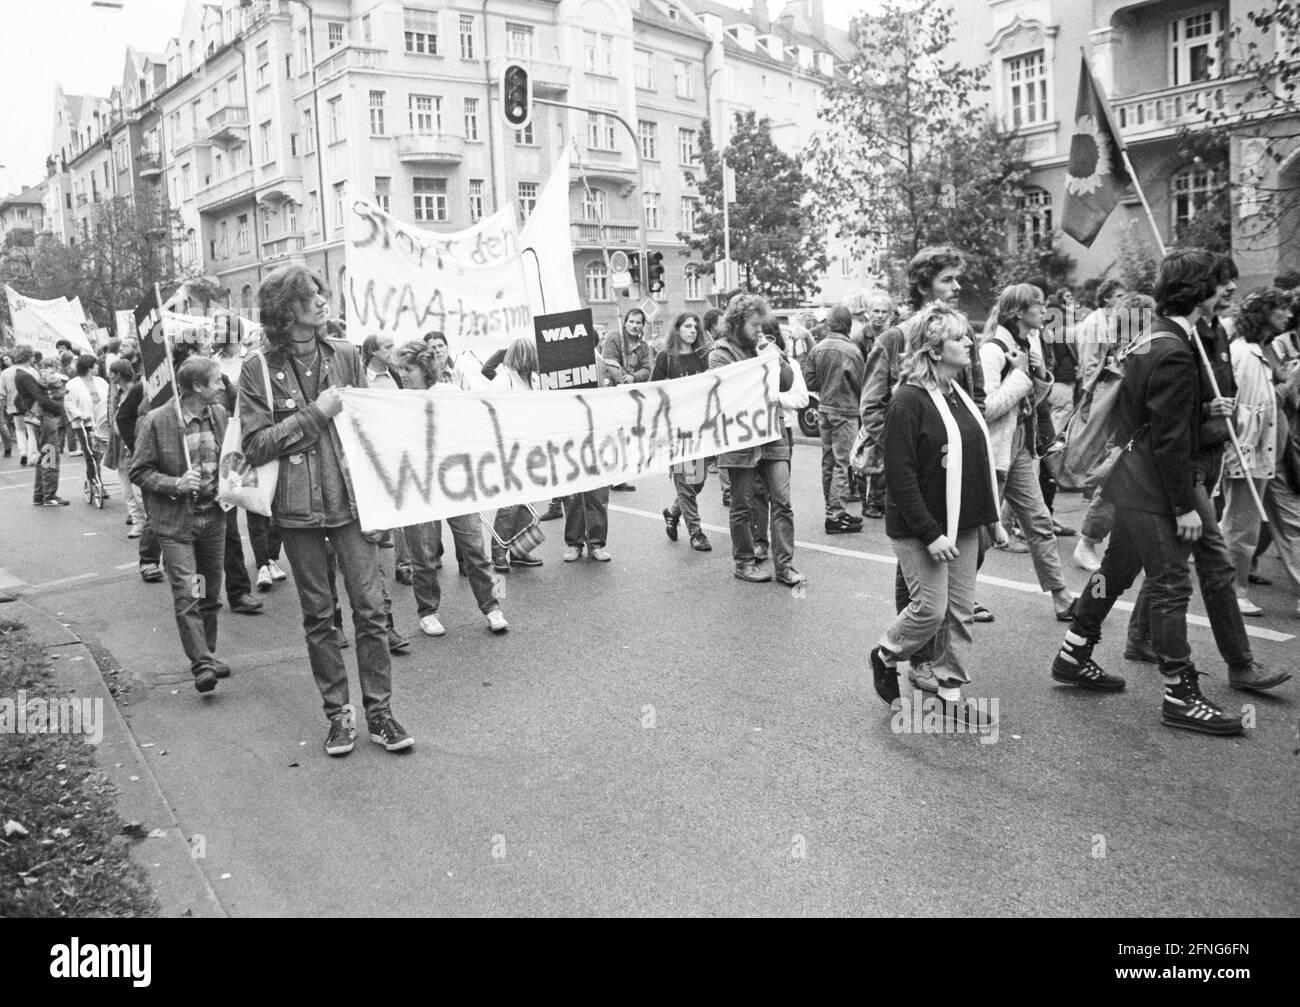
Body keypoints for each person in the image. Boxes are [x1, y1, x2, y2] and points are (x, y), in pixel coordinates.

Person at [1050, 248, 1255, 735]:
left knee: (1115, 571)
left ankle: (1074, 651)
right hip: (1152, 486)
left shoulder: (1150, 339)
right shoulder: (1175, 349)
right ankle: (1179, 693)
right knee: (1170, 585)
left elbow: (1149, 421)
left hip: (1130, 480)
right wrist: (1184, 504)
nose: (1221, 291)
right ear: (1198, 292)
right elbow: (1167, 440)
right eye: (1213, 283)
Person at [240, 265, 412, 757]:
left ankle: (380, 712)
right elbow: (254, 445)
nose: (321, 301)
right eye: (309, 295)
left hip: (353, 505)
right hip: (297, 514)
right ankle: (339, 715)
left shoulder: (346, 354)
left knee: (372, 611)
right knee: (319, 617)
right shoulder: (257, 367)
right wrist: (317, 412)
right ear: (283, 311)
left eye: (320, 292)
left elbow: (365, 425)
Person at [870, 304, 1006, 721]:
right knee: (930, 609)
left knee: (961, 612)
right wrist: (931, 533)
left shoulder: (959, 394)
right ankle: (885, 654)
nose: (970, 342)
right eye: (959, 338)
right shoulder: (908, 402)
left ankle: (950, 694)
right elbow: (901, 476)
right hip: (919, 527)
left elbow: (977, 462)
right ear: (932, 350)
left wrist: (993, 521)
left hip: (963, 523)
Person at [392, 340, 509, 635]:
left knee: (476, 549)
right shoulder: (397, 403)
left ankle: (495, 605)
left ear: (426, 370)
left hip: (457, 484)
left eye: (410, 369)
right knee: (424, 554)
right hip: (420, 488)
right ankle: (427, 611)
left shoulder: (451, 394)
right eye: (401, 369)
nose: (404, 375)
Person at [130, 355, 231, 693]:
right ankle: (201, 663)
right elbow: (139, 471)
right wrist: (175, 484)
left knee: (208, 590)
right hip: (176, 525)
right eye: (215, 381)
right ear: (196, 387)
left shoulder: (218, 414)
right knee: (188, 592)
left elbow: (232, 457)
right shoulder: (158, 420)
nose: (221, 386)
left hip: (213, 518)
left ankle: (208, 651)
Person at [979, 284, 1077, 619]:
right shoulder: (992, 351)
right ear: (1019, 311)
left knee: (1039, 521)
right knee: (980, 533)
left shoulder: (1028, 344)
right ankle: (960, 596)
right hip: (996, 451)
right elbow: (986, 409)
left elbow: (1029, 403)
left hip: (1020, 446)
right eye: (1038, 304)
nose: (1045, 309)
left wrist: (1040, 374)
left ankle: (1062, 596)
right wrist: (1020, 373)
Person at [708, 293, 803, 586]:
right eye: (753, 325)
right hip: (741, 438)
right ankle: (744, 562)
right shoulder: (719, 353)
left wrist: (778, 360)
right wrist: (763, 365)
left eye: (761, 324)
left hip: (772, 435)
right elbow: (732, 393)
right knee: (743, 504)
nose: (759, 331)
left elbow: (786, 383)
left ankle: (785, 565)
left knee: (782, 501)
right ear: (736, 324)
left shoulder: (764, 347)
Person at [1073, 291, 1157, 571]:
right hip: (1124, 431)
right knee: (1111, 486)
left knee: (1122, 486)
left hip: (1130, 429)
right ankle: (1087, 541)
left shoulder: (1131, 347)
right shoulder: (1130, 351)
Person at [1222, 288, 1292, 615]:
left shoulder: (1257, 352)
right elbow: (1246, 413)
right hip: (1250, 454)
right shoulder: (1246, 354)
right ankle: (1234, 590)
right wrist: (1245, 462)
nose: (1288, 317)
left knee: (1245, 523)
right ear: (1264, 314)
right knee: (1241, 525)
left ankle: (1234, 586)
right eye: (1280, 311)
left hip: (1259, 455)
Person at [481, 337, 552, 568]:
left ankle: (520, 549)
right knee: (510, 504)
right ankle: (498, 553)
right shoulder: (504, 380)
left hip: (531, 447)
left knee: (526, 502)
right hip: (510, 448)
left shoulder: (532, 379)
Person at [654, 312, 714, 552]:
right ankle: (696, 533)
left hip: (700, 430)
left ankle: (672, 511)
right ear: (677, 329)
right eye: (687, 326)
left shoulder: (703, 358)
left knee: (697, 482)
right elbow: (653, 390)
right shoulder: (665, 358)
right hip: (675, 432)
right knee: (685, 484)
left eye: (695, 326)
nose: (692, 330)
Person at [804, 305, 865, 533]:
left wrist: (827, 384)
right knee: (843, 463)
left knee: (828, 461)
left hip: (824, 408)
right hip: (846, 411)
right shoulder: (852, 351)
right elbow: (862, 384)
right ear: (848, 325)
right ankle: (836, 514)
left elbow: (809, 381)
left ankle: (832, 510)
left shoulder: (818, 349)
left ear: (829, 323)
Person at [603, 307, 654, 491]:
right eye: (631, 321)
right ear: (625, 322)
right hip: (611, 394)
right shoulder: (614, 338)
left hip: (629, 397)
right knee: (610, 436)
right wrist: (624, 378)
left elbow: (647, 369)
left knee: (624, 437)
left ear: (643, 326)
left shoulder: (643, 346)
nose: (634, 325)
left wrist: (634, 378)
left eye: (638, 322)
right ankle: (607, 475)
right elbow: (610, 363)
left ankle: (619, 478)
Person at [17, 357, 70, 506]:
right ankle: (49, 495)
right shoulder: (49, 379)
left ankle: (40, 494)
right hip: (48, 418)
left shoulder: (36, 378)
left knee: (45, 456)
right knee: (50, 455)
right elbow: (57, 392)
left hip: (42, 417)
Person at [64, 353, 111, 500]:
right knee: (91, 454)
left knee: (100, 453)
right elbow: (68, 403)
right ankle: (97, 482)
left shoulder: (102, 382)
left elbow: (110, 398)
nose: (98, 367)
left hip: (102, 423)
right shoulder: (72, 384)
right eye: (96, 365)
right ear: (89, 367)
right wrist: (79, 415)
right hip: (84, 424)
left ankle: (93, 477)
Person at [3, 345, 35, 465]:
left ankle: (23, 452)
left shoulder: (5, 373)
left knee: (19, 429)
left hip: (13, 406)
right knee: (31, 430)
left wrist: (5, 403)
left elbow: (2, 391)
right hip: (30, 406)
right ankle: (32, 455)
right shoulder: (31, 371)